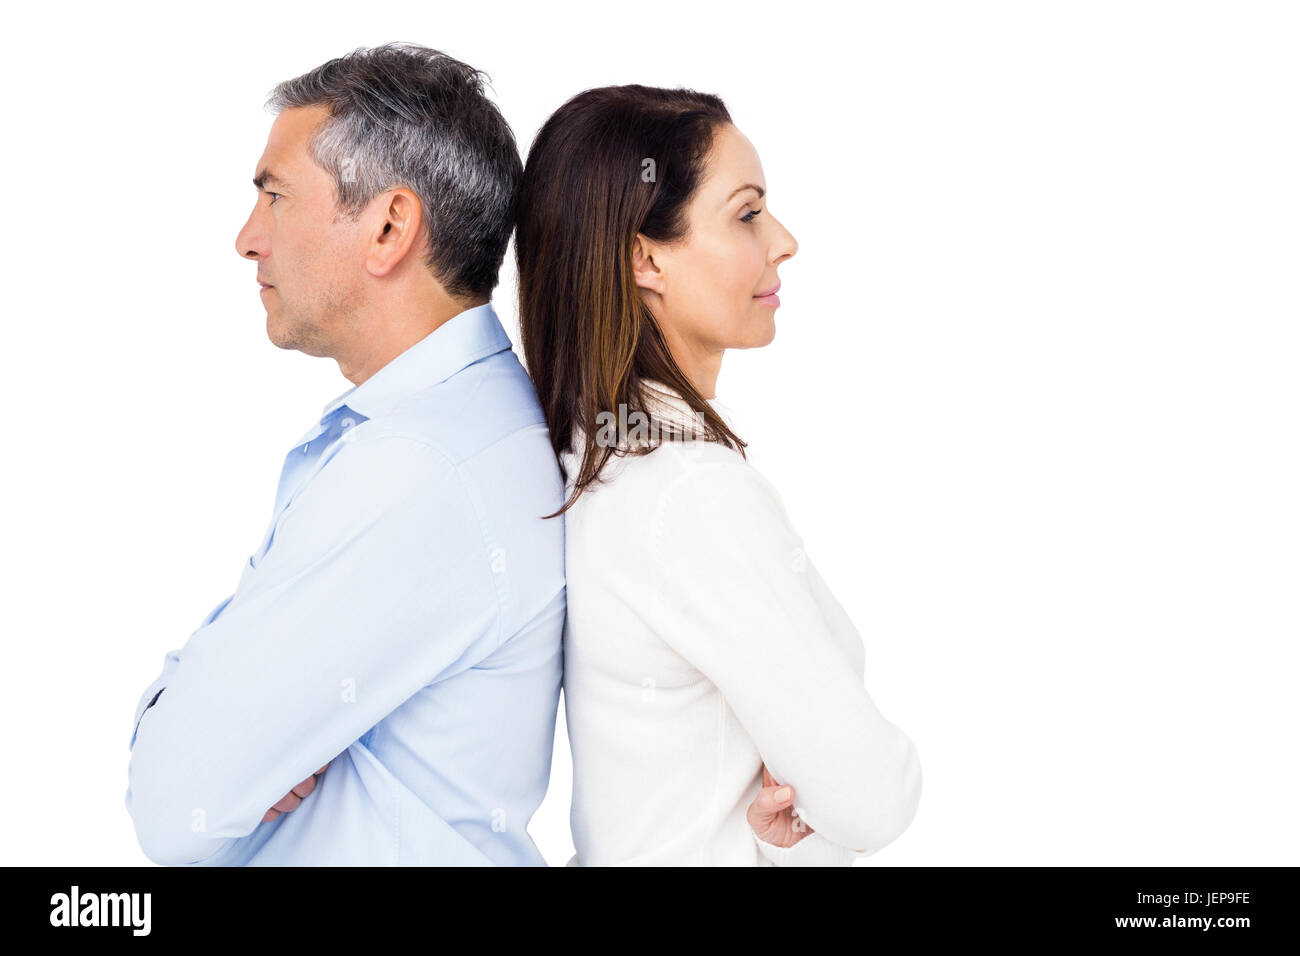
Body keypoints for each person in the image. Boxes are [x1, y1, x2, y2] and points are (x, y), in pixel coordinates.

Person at [125, 43, 565, 866]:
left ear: (390, 227)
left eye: (275, 196)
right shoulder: (454, 434)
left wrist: (184, 718)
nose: (247, 238)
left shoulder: (421, 468)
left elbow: (174, 804)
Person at [515, 84, 923, 865]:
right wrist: (818, 814)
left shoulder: (595, 459)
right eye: (746, 214)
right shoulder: (686, 495)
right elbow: (878, 799)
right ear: (645, 258)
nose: (785, 240)